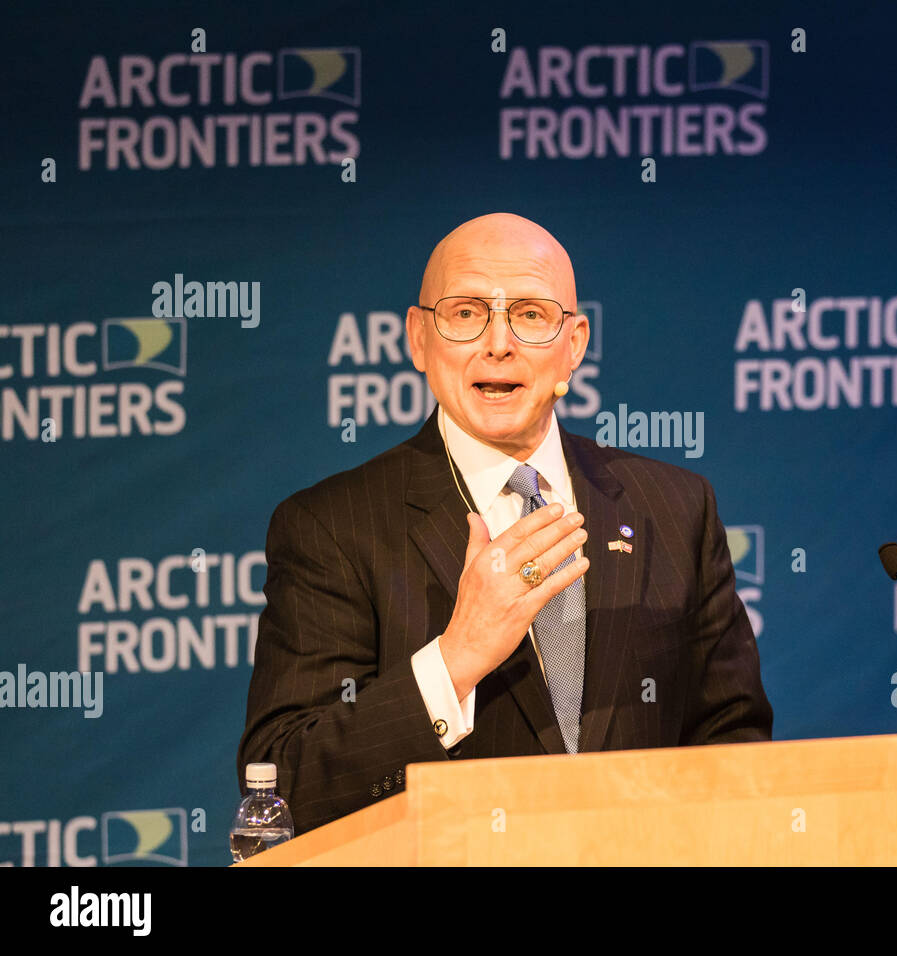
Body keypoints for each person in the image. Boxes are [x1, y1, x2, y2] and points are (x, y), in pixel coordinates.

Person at [238, 213, 772, 834]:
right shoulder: (332, 527)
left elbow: (733, 744)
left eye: (530, 314)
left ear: (574, 345)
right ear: (419, 339)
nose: (498, 343)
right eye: (465, 314)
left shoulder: (675, 508)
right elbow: (283, 781)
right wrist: (455, 659)